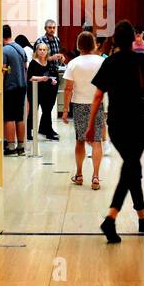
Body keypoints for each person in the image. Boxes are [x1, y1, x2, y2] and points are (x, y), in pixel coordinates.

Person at [87, 19, 144, 243]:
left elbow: (98, 96)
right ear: (133, 38)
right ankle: (111, 217)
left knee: (131, 166)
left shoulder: (109, 62)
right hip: (138, 122)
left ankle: (142, 216)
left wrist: (91, 126)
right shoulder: (141, 59)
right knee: (131, 166)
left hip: (116, 123)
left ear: (115, 40)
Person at [61, 31, 105, 189]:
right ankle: (95, 177)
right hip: (97, 104)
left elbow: (68, 89)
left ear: (79, 45)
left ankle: (79, 175)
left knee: (80, 140)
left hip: (79, 105)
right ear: (94, 44)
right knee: (97, 140)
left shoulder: (73, 63)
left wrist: (65, 110)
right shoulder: (102, 62)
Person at [1, 24, 27, 155]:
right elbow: (24, 67)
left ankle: (10, 146)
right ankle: (21, 146)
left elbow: (4, 69)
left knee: (9, 117)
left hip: (10, 87)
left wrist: (0, 84)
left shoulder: (5, 50)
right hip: (22, 86)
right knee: (19, 117)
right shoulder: (20, 48)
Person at [26, 42, 60, 141]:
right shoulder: (33, 62)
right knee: (33, 111)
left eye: (44, 50)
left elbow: (48, 75)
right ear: (37, 51)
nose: (42, 52)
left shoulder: (48, 63)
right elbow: (30, 78)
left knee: (47, 111)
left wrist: (51, 80)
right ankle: (28, 133)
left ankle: (48, 132)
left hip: (46, 91)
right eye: (40, 49)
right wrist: (42, 78)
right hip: (34, 91)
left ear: (47, 52)